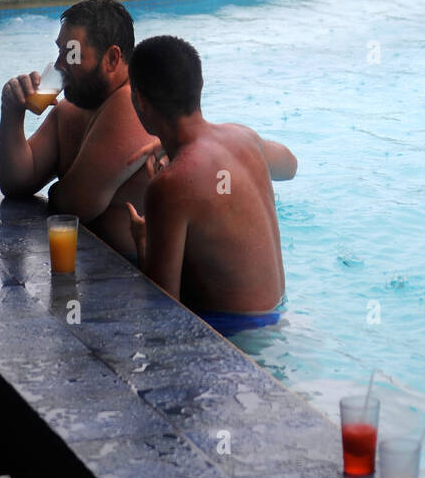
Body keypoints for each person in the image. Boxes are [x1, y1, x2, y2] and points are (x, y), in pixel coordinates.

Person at [124, 34, 297, 336]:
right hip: (280, 319)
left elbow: (162, 308)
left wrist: (143, 243)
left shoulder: (170, 185)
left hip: (232, 339)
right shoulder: (244, 138)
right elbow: (290, 167)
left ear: (139, 100)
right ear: (200, 86)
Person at [0, 0, 161, 258]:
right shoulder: (71, 108)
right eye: (60, 51)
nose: (60, 64)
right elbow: (16, 182)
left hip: (153, 290)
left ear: (112, 58)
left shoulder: (133, 104)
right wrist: (12, 113)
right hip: (97, 275)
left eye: (71, 54)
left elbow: (74, 206)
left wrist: (56, 190)